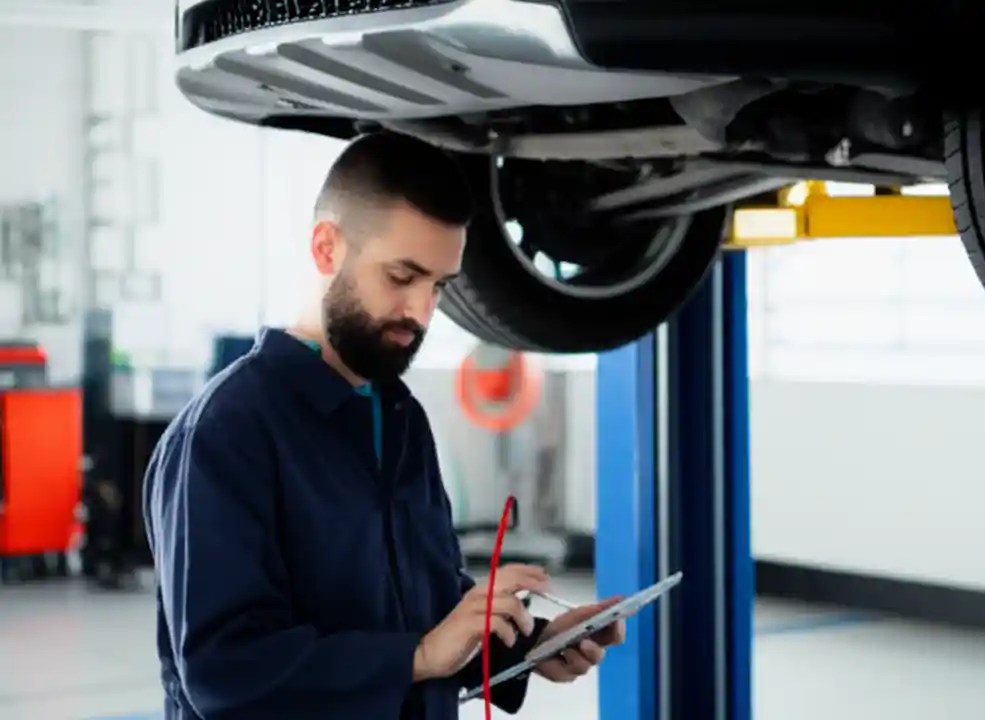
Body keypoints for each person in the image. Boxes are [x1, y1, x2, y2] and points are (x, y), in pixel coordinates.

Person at [141, 131, 625, 720]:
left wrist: (527, 645)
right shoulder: (226, 433)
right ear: (326, 249)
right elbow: (225, 672)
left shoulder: (399, 417)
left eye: (439, 287)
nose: (421, 312)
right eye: (401, 277)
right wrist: (418, 656)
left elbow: (428, 614)